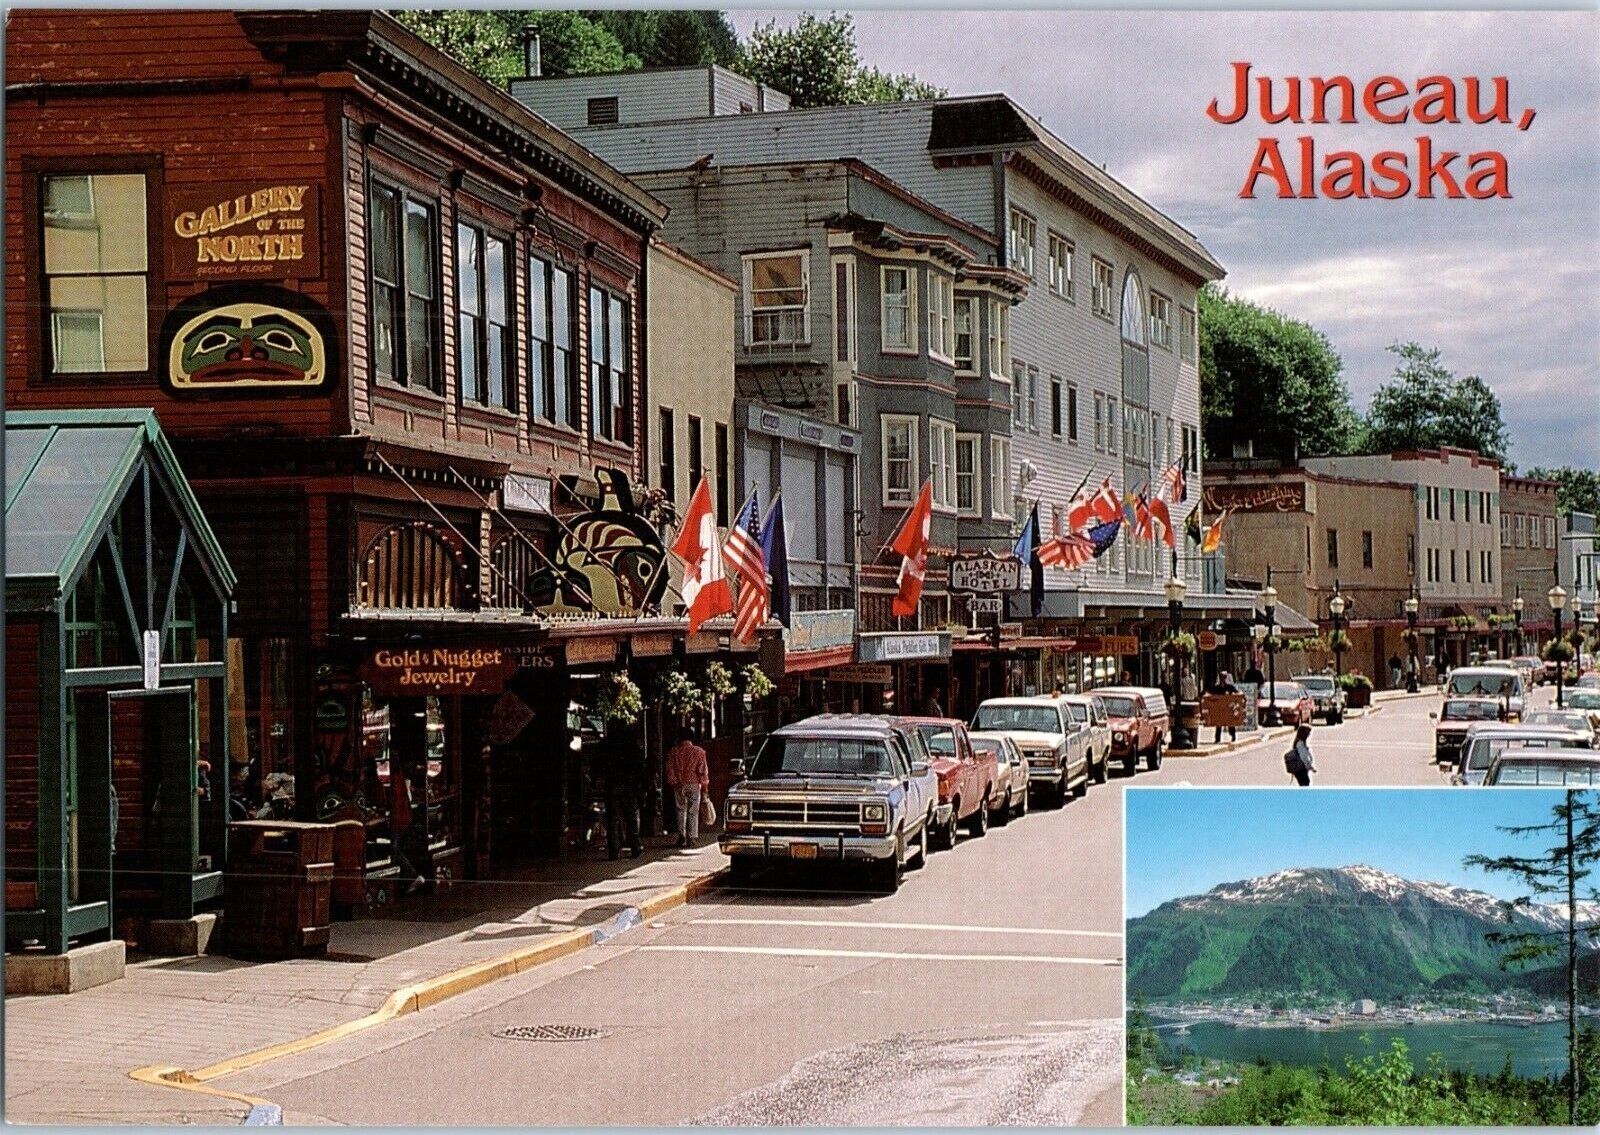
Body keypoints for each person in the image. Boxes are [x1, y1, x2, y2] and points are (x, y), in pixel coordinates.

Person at [602, 723, 645, 860]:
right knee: (631, 817)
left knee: (612, 818)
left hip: (612, 784)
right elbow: (640, 766)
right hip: (629, 785)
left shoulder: (607, 744)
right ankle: (635, 846)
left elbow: (598, 763)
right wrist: (641, 784)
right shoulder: (632, 746)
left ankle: (613, 850)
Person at [665, 727, 710, 849]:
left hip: (679, 784)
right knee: (693, 811)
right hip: (694, 784)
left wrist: (674, 781)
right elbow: (702, 771)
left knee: (680, 810)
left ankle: (681, 835)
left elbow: (670, 769)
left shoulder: (674, 752)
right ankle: (692, 837)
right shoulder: (699, 752)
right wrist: (704, 786)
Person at [1211, 671, 1239, 744]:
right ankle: (1217, 739)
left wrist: (1234, 695)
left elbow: (1237, 693)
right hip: (1220, 708)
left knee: (1230, 722)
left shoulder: (1229, 687)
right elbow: (1210, 695)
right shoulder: (1216, 688)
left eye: (1224, 677)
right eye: (1221, 677)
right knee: (1219, 723)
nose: (1222, 679)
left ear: (1226, 678)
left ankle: (1233, 735)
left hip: (1228, 708)